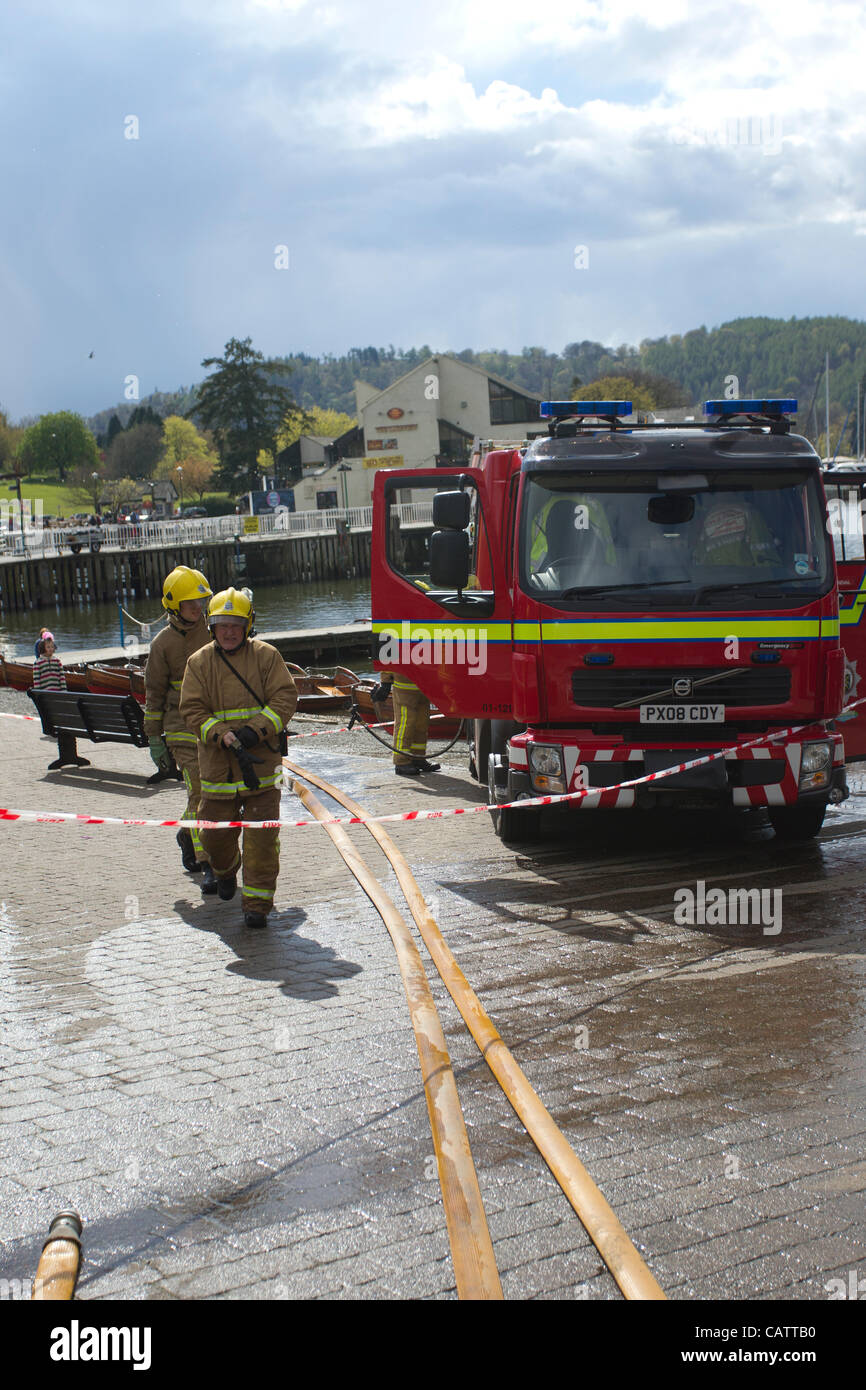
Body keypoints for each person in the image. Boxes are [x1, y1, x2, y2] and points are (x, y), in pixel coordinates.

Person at [179, 588, 297, 928]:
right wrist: (220, 734)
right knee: (213, 835)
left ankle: (257, 907)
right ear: (211, 628)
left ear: (248, 626)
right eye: (221, 625)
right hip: (217, 770)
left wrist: (255, 731)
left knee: (261, 841)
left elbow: (285, 698)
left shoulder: (267, 656)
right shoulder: (199, 662)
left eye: (236, 625)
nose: (229, 632)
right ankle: (225, 870)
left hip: (263, 769)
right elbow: (191, 710)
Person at [144, 566, 214, 881]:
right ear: (174, 606)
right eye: (190, 604)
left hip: (213, 726)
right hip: (180, 728)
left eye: (201, 601)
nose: (198, 608)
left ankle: (188, 833)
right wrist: (155, 739)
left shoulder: (215, 631)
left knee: (220, 791)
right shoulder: (162, 645)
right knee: (198, 788)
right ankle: (207, 861)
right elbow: (154, 694)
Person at [33, 632, 90, 769]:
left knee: (60, 717)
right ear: (42, 648)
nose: (51, 649)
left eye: (52, 647)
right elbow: (37, 680)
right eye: (48, 647)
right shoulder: (38, 663)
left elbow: (61, 679)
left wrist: (63, 692)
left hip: (57, 695)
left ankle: (66, 753)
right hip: (47, 695)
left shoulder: (57, 661)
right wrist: (40, 693)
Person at [369, 673, 441, 777]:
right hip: (404, 687)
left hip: (423, 686)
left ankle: (418, 758)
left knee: (422, 724)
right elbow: (387, 657)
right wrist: (386, 683)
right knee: (405, 724)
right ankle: (401, 762)